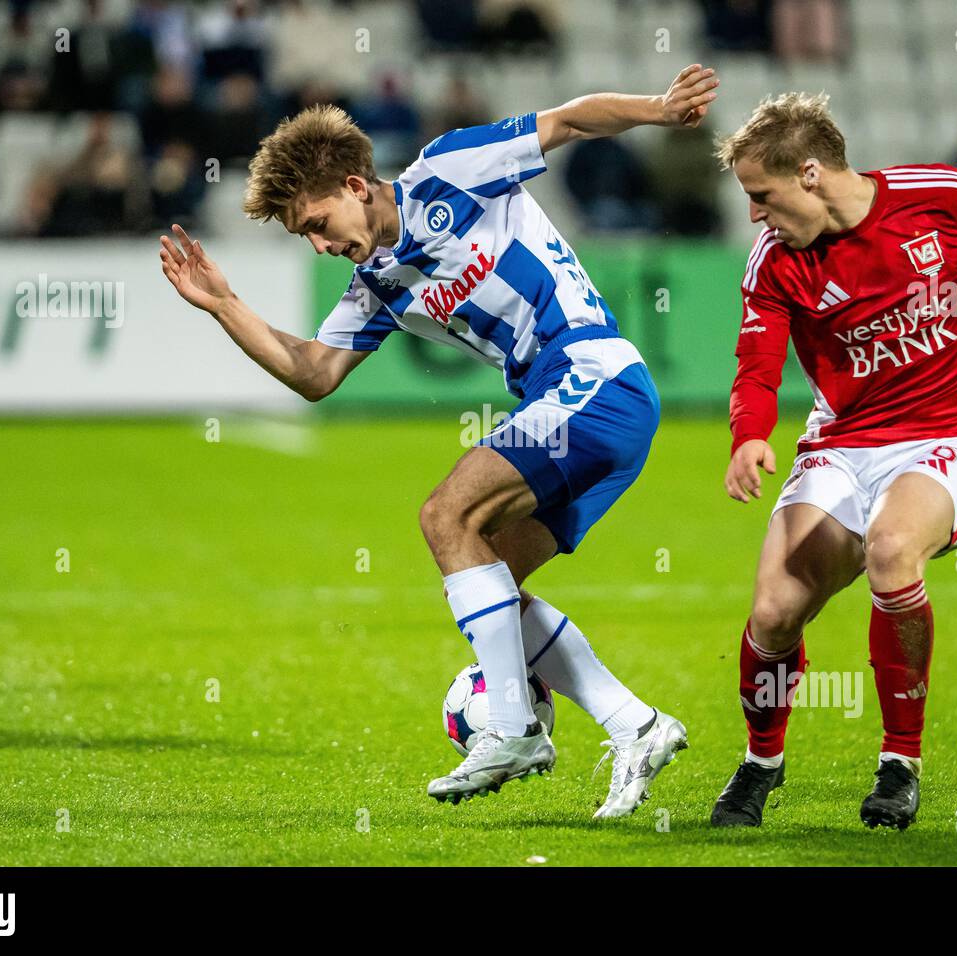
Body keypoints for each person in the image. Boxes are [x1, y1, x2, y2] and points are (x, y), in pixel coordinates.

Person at [158, 65, 722, 817]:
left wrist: (658, 108)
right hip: (580, 406)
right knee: (492, 574)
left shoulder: (448, 171)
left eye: (318, 224)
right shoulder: (379, 283)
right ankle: (636, 725)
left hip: (593, 379)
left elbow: (570, 121)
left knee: (445, 517)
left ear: (357, 185)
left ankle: (514, 728)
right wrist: (224, 304)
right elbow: (318, 374)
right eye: (306, 238)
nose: (321, 247)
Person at [711, 91, 957, 830]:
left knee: (895, 551)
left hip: (948, 434)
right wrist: (749, 435)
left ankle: (900, 764)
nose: (754, 216)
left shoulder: (943, 198)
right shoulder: (775, 263)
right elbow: (757, 365)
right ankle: (761, 763)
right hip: (841, 442)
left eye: (760, 196)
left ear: (808, 175)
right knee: (773, 613)